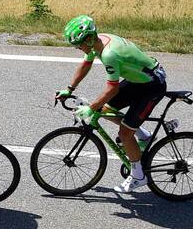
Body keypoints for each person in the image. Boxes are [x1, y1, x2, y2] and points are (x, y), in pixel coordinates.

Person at [58, 15, 165, 194]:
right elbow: (86, 64)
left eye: (78, 44)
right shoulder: (98, 41)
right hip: (139, 80)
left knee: (124, 134)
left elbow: (112, 90)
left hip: (152, 86)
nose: (77, 48)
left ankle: (139, 176)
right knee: (106, 109)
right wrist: (69, 89)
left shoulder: (109, 54)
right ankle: (144, 135)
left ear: (89, 39)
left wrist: (90, 108)